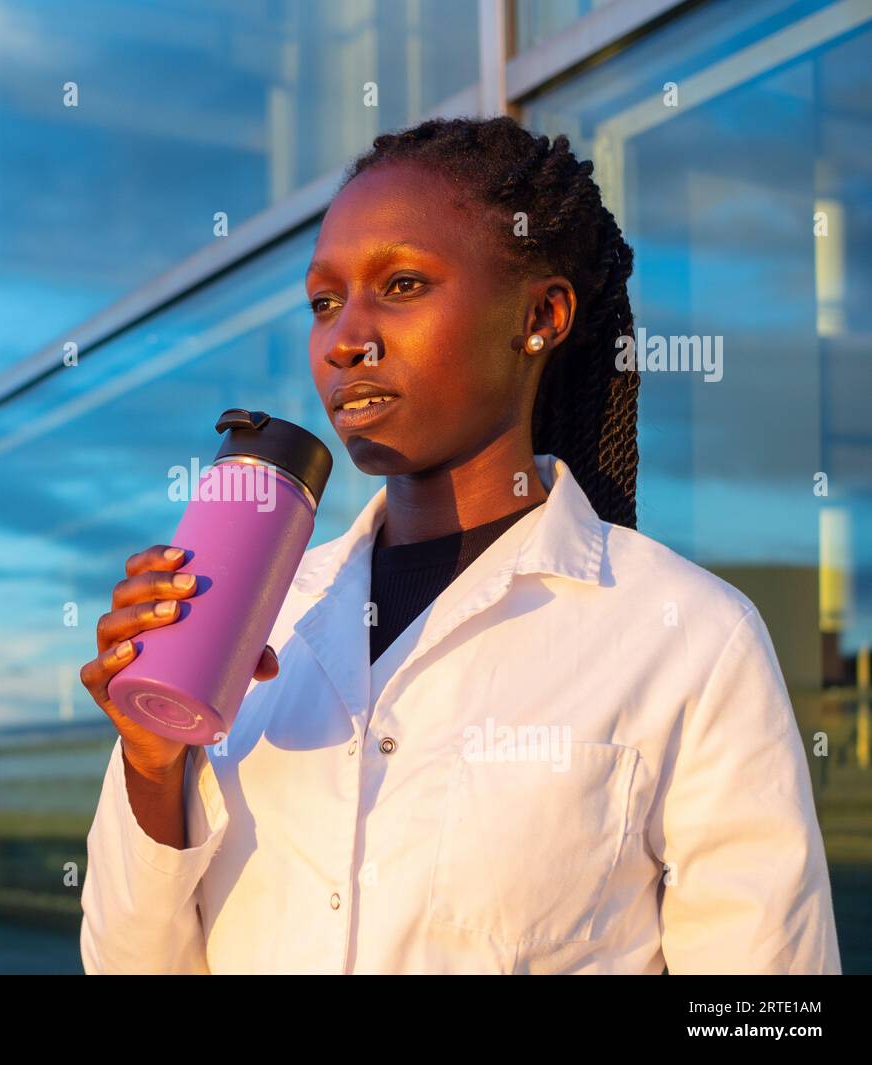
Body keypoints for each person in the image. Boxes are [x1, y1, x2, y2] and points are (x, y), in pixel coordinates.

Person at [76, 115, 842, 974]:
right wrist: (151, 765)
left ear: (541, 315)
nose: (344, 338)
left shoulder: (688, 637)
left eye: (400, 285)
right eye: (324, 302)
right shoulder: (258, 623)